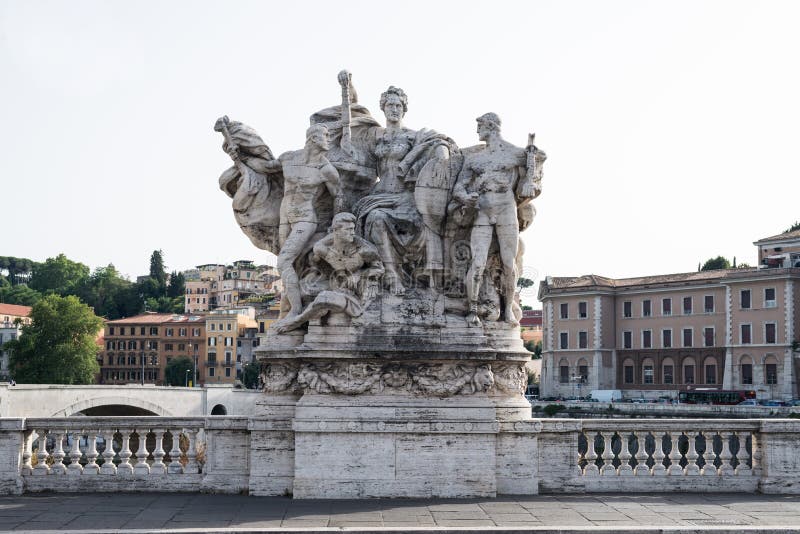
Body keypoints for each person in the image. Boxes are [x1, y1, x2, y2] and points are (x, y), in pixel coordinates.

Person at [341, 72, 455, 295]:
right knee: (375, 218)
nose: (394, 109)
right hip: (380, 195)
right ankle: (392, 276)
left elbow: (439, 143)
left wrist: (442, 151)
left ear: (404, 109)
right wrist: (347, 88)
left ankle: (431, 279)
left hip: (407, 196)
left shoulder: (415, 136)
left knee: (426, 224)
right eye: (390, 105)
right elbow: (350, 121)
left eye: (398, 105)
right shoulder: (375, 136)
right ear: (383, 108)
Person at [454, 113, 542, 326]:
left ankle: (508, 311)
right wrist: (466, 197)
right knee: (477, 263)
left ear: (491, 127)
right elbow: (459, 187)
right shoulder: (474, 159)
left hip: (506, 209)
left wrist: (532, 169)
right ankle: (472, 309)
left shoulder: (515, 153)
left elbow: (535, 168)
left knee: (509, 263)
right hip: (483, 210)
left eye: (480, 127)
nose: (477, 131)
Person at [252, 124, 340, 327]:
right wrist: (240, 156)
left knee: (283, 262)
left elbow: (339, 197)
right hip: (285, 218)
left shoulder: (326, 169)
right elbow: (267, 168)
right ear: (313, 138)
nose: (329, 139)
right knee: (291, 265)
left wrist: (335, 225)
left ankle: (296, 311)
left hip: (305, 219)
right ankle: (290, 306)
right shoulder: (289, 158)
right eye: (325, 135)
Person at [274, 212, 384, 333]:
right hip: (336, 284)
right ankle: (291, 319)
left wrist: (360, 275)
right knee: (292, 295)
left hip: (355, 291)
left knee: (324, 298)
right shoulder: (323, 248)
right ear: (335, 231)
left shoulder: (365, 250)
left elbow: (379, 268)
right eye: (348, 229)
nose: (353, 232)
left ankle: (296, 322)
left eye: (353, 229)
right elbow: (320, 261)